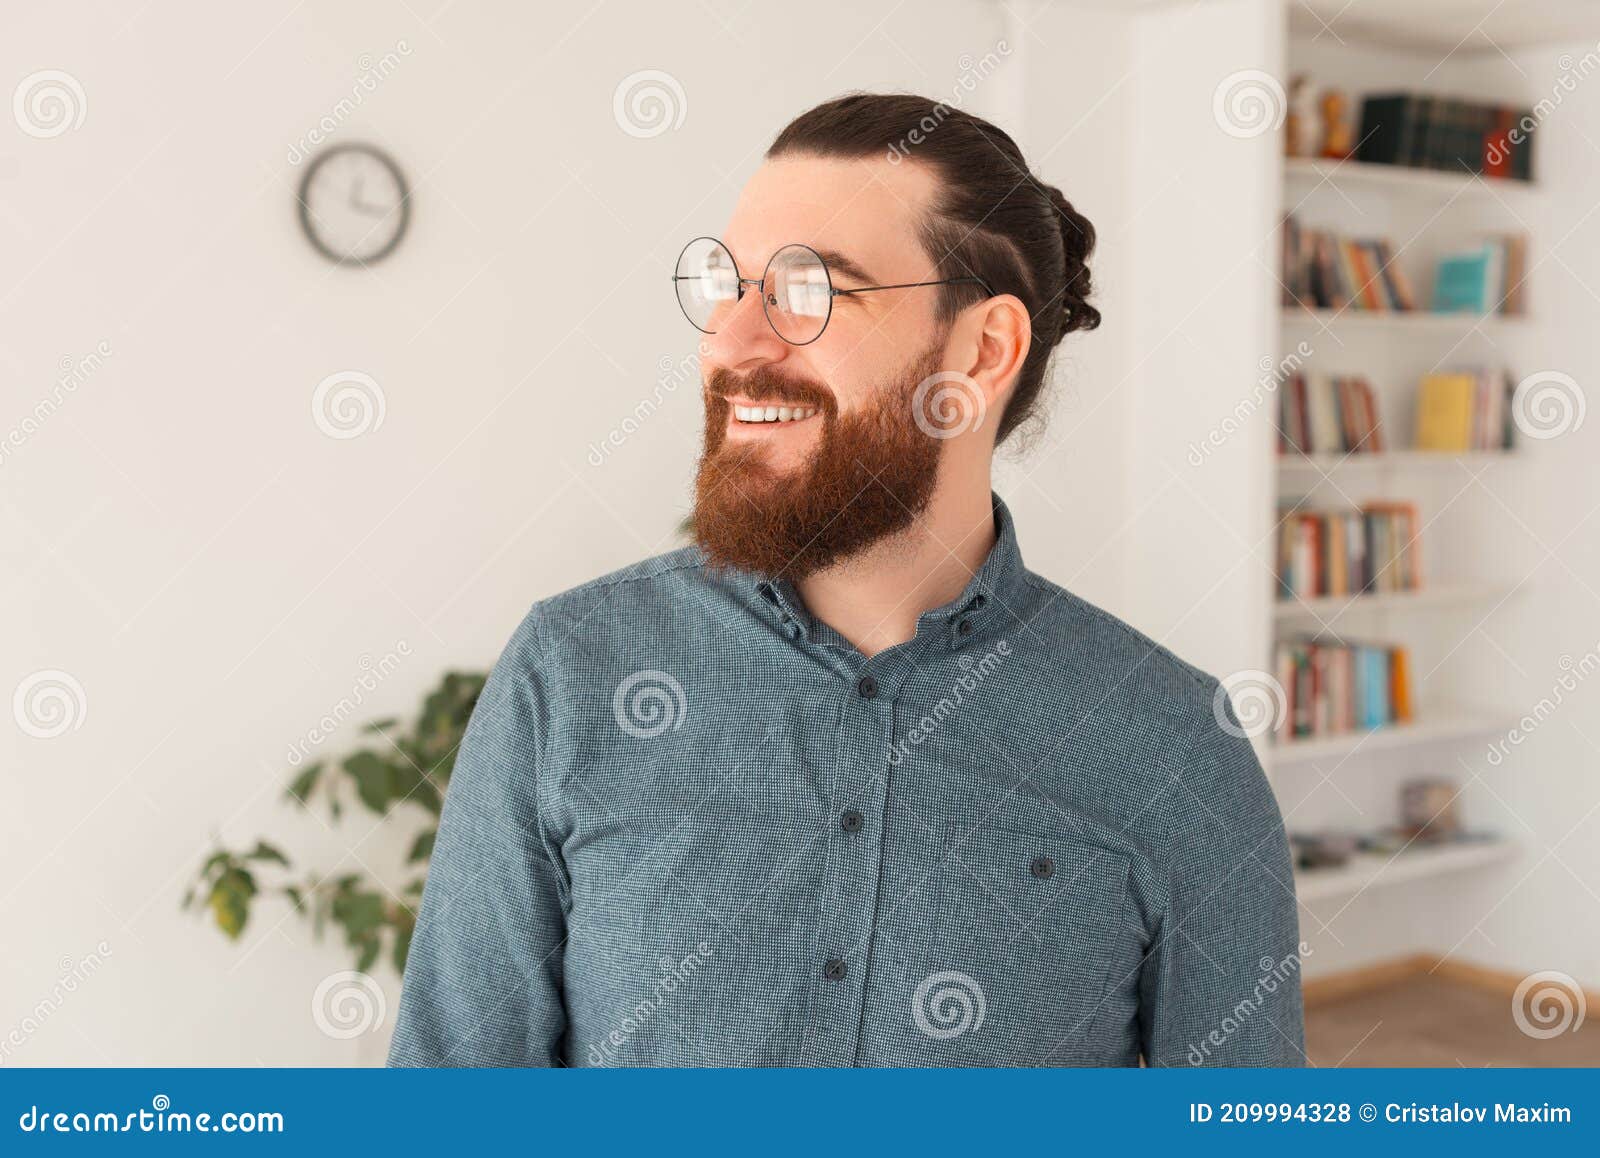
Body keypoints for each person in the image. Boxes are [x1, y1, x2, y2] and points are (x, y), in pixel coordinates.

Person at [389, 92, 1304, 1067]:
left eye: (809, 289)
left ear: (981, 350)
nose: (732, 346)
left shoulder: (1172, 747)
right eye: (728, 287)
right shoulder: (570, 673)